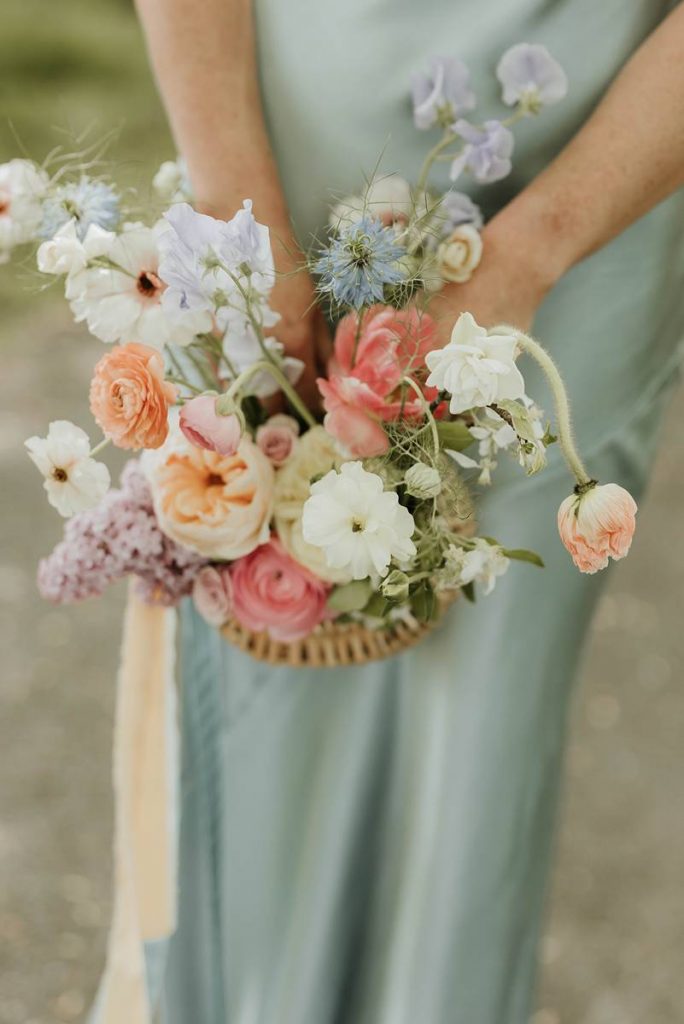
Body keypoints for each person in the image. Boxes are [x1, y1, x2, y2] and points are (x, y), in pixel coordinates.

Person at [131, 2, 684, 1021]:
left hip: (611, 165)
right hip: (296, 139)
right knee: (270, 707)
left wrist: (534, 250)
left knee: (482, 738)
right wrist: (242, 210)